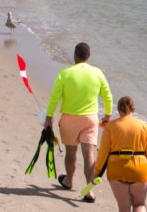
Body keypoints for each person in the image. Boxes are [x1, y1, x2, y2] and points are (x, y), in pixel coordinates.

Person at [43, 42, 112, 200]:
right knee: (89, 155)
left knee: (71, 152)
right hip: (90, 119)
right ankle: (89, 190)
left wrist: (49, 117)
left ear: (75, 55)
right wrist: (107, 116)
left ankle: (69, 180)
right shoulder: (97, 73)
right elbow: (108, 96)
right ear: (89, 56)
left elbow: (55, 97)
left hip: (69, 119)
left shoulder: (65, 73)